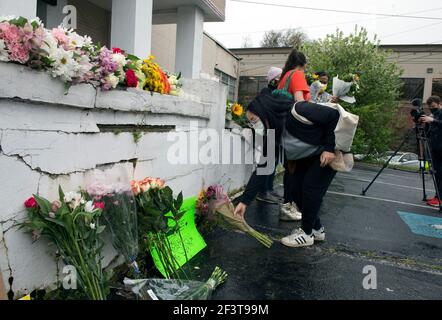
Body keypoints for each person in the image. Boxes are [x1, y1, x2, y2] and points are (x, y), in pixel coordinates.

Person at [277, 49, 339, 248]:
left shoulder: (297, 108)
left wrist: (329, 149)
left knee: (310, 189)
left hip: (326, 151)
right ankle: (316, 229)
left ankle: (306, 234)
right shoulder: (279, 125)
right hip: (310, 152)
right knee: (296, 190)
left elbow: (333, 116)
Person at [255, 67, 285, 205]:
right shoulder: (266, 92)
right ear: (273, 79)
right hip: (269, 131)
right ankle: (262, 191)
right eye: (279, 77)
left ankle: (269, 188)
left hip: (278, 132)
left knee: (274, 162)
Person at [420, 95, 442, 207]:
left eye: (434, 106)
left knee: (441, 174)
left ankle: (439, 198)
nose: (432, 108)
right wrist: (426, 124)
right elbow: (428, 133)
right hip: (434, 147)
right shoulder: (434, 115)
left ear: (439, 103)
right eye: (430, 107)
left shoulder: (439, 114)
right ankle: (437, 197)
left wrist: (432, 120)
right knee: (437, 173)